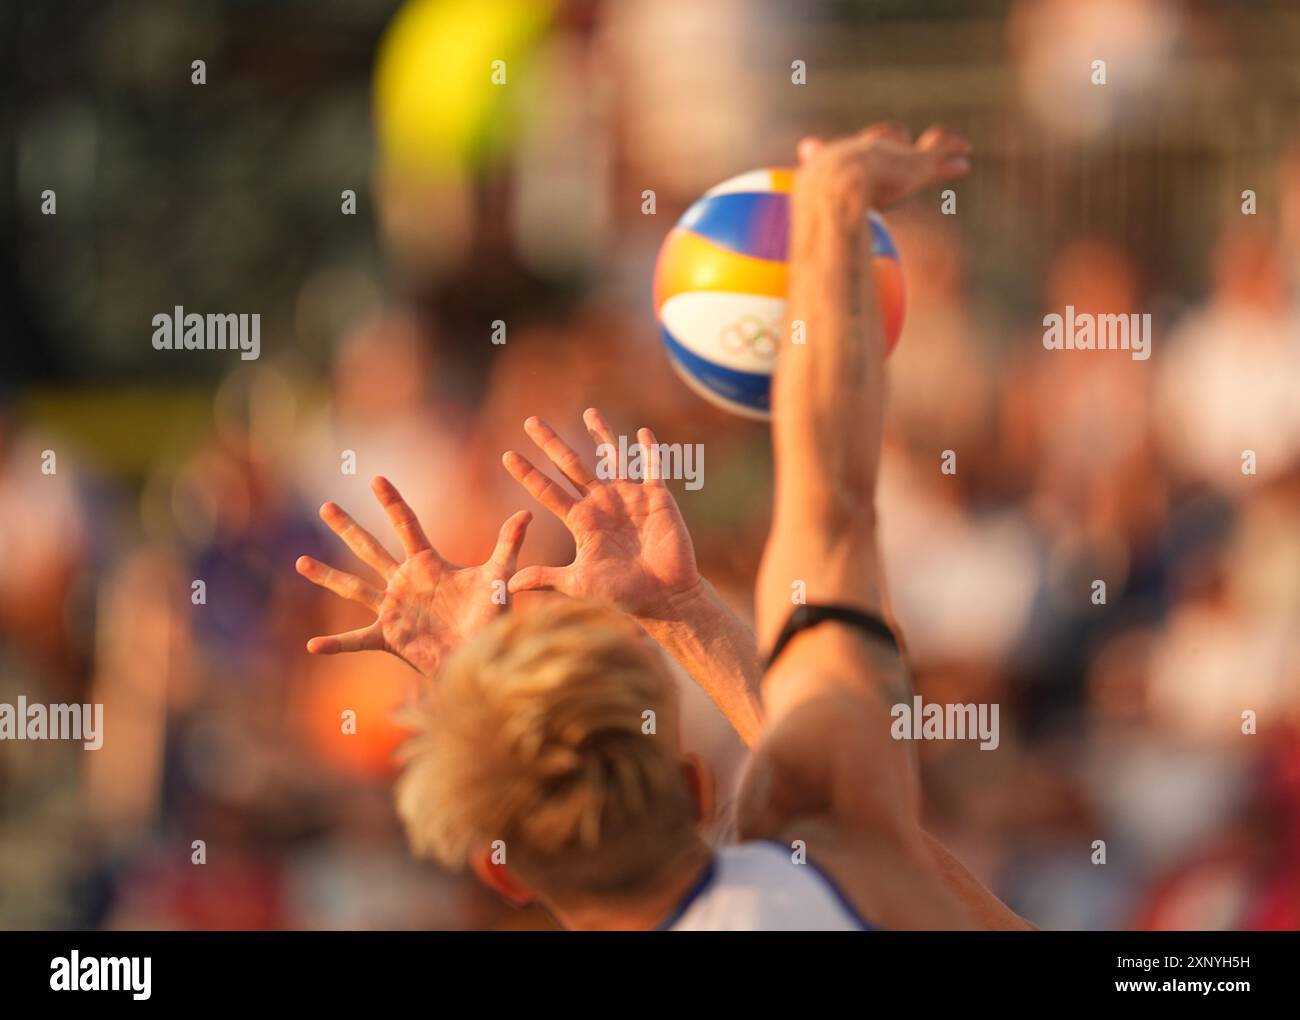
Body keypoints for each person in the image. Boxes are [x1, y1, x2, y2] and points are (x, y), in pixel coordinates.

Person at [295, 123, 1032, 930]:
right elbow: (833, 504)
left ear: (499, 872)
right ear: (696, 787)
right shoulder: (844, 865)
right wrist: (828, 210)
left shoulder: (842, 845)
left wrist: (485, 690)